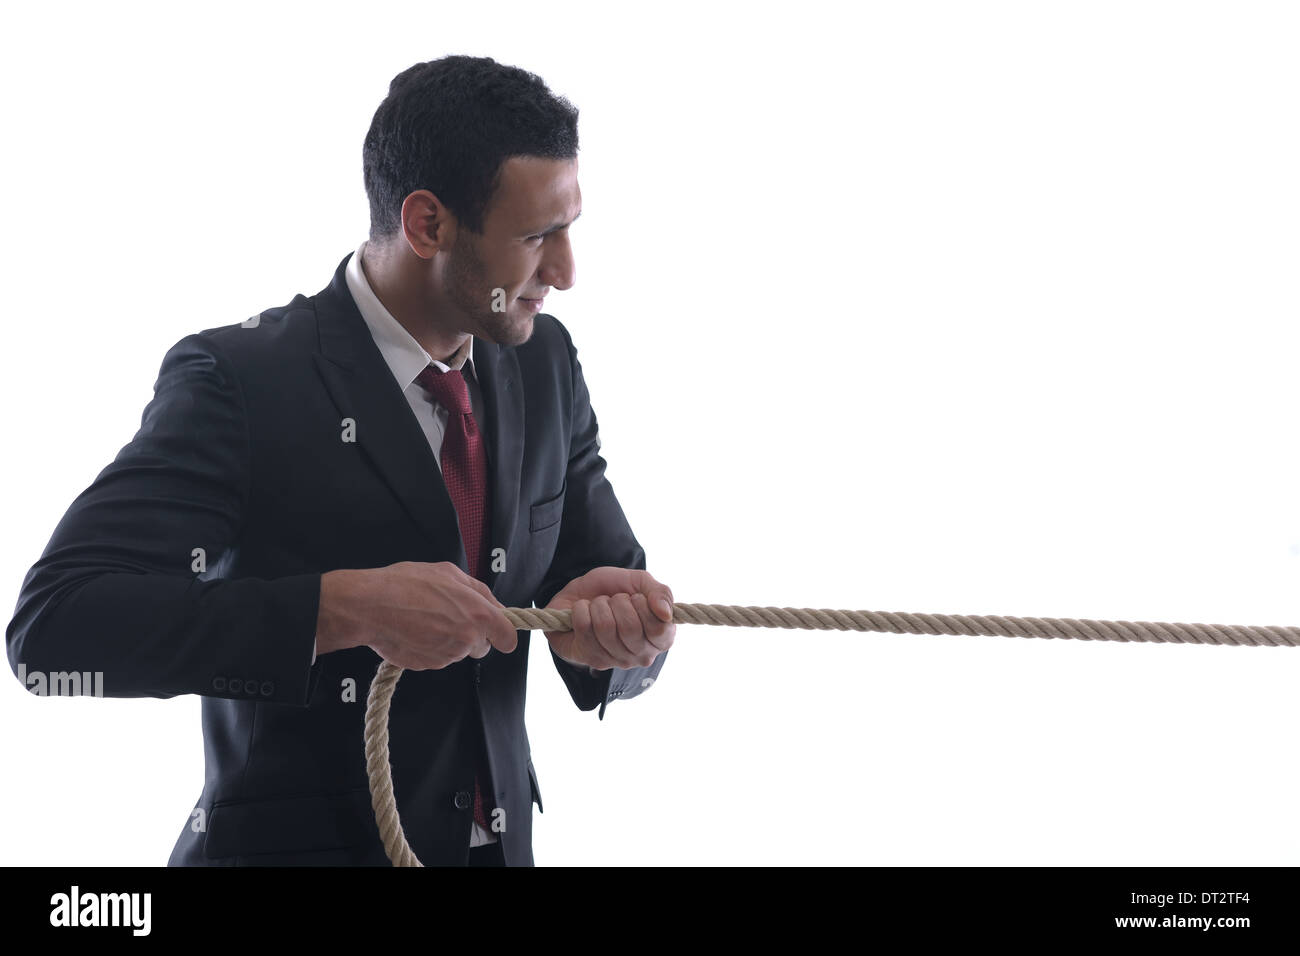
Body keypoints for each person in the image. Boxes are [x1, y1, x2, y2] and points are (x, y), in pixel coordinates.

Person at [5, 55, 675, 866]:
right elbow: (53, 633)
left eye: (570, 230)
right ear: (428, 224)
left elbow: (608, 594)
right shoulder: (241, 382)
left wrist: (614, 644)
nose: (567, 274)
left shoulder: (544, 360)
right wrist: (337, 611)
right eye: (538, 238)